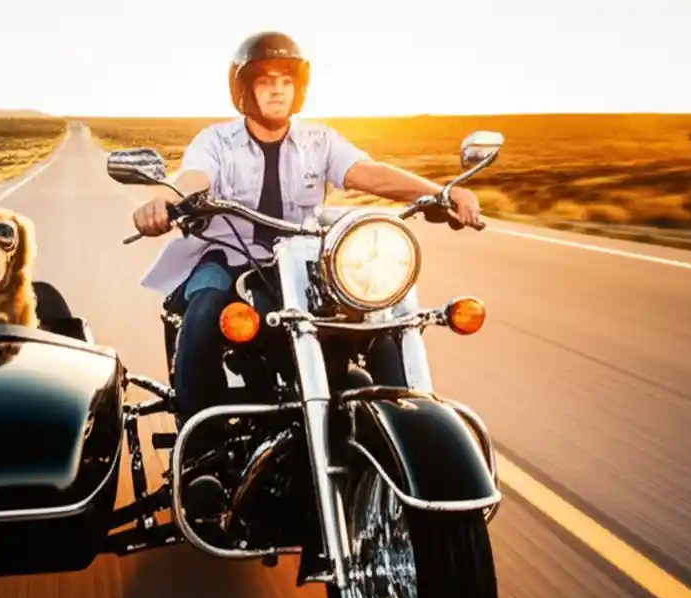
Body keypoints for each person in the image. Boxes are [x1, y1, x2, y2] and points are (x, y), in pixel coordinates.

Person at [131, 30, 483, 426]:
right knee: (205, 307)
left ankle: (407, 420)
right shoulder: (216, 141)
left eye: (286, 81)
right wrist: (167, 200)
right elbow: (195, 176)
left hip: (303, 266)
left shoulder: (319, 140)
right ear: (244, 89)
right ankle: (200, 434)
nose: (277, 90)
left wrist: (442, 193)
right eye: (266, 81)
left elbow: (366, 173)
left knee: (378, 318)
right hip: (228, 257)